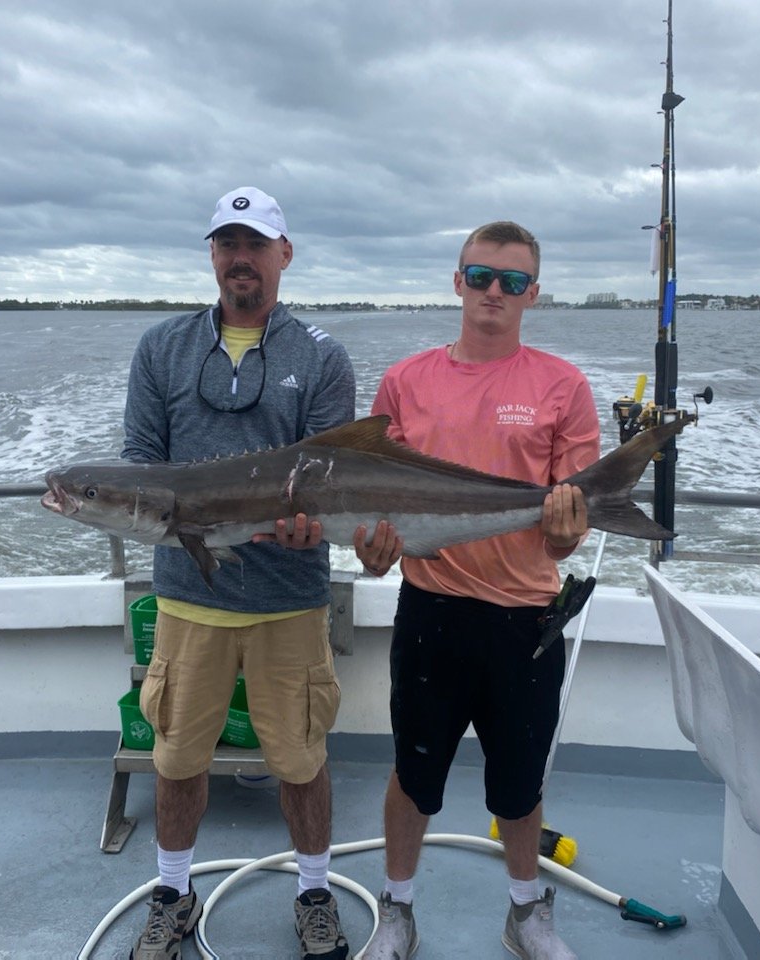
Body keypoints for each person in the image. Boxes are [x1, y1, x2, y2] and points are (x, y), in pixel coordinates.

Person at [353, 221, 599, 960]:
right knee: (414, 773)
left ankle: (526, 913)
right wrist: (372, 553)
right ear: (456, 281)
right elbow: (373, 514)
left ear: (534, 294)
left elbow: (565, 538)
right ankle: (397, 909)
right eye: (482, 275)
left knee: (519, 786)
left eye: (513, 281)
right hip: (431, 611)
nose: (496, 292)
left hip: (526, 620)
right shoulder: (405, 381)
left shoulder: (564, 386)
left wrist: (561, 528)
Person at [122, 186, 356, 960]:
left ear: (284, 254)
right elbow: (137, 464)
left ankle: (314, 891)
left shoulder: (321, 355)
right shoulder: (161, 348)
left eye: (255, 243)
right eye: (227, 243)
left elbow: (331, 477)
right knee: (178, 759)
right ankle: (170, 892)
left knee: (300, 760)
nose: (240, 258)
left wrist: (302, 528)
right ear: (212, 256)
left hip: (289, 599)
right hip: (189, 597)